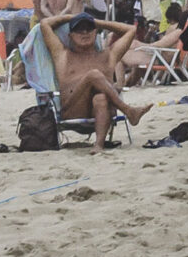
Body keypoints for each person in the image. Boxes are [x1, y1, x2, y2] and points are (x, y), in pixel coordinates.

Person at [38, 11, 148, 154]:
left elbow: (131, 30)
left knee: (100, 98)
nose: (85, 32)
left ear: (96, 32)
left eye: (89, 28)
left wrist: (97, 22)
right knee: (94, 75)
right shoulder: (63, 55)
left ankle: (98, 145)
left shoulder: (108, 55)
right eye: (79, 29)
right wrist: (70, 17)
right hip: (72, 109)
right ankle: (128, 110)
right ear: (70, 35)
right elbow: (44, 24)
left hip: (102, 110)